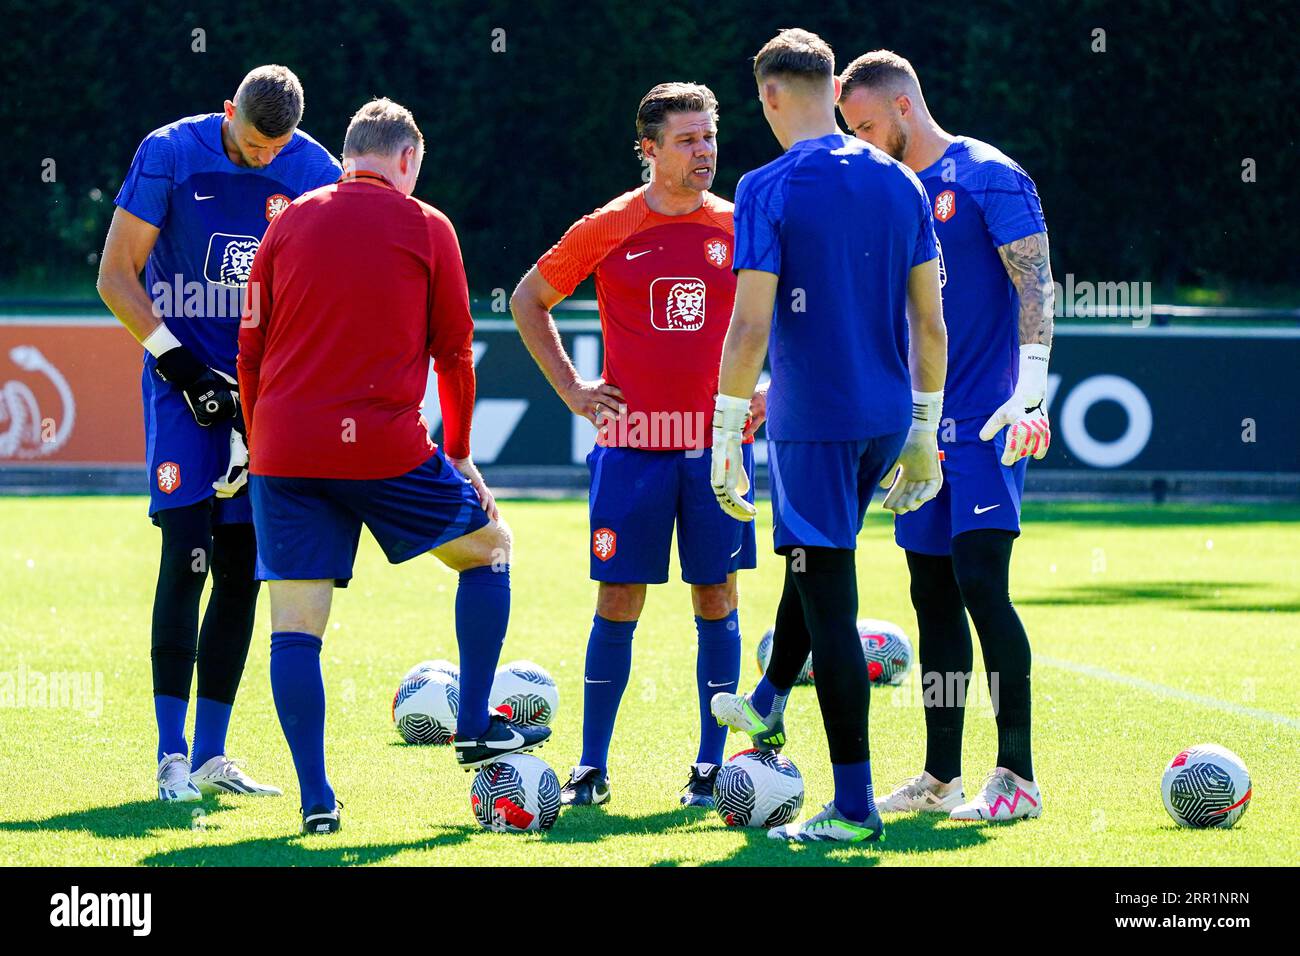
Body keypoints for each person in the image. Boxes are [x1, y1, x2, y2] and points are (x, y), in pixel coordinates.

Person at [239, 98, 547, 834]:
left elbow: (248, 351)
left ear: (349, 155)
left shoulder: (285, 222)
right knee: (490, 549)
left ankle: (316, 801)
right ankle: (473, 723)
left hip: (283, 449)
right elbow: (455, 355)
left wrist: (262, 440)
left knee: (295, 627)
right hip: (382, 448)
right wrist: (464, 456)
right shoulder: (427, 225)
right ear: (407, 160)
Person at [709, 29, 948, 843]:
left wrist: (723, 434)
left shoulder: (766, 185)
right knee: (817, 561)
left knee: (832, 603)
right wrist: (921, 430)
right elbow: (931, 324)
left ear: (771, 95)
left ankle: (854, 808)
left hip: (814, 428)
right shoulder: (901, 180)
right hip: (886, 420)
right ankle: (770, 698)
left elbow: (748, 327)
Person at [511, 83, 761, 810]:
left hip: (718, 451)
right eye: (687, 140)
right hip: (633, 449)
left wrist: (773, 392)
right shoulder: (610, 224)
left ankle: (712, 768)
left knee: (715, 596)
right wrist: (573, 391)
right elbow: (529, 299)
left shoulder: (743, 223)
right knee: (619, 597)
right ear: (649, 149)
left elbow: (790, 308)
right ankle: (591, 766)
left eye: (709, 137)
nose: (704, 151)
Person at [97, 65, 340, 802]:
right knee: (189, 554)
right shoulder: (169, 151)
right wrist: (184, 369)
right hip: (182, 387)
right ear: (228, 111)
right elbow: (116, 276)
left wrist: (279, 384)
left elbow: (328, 285)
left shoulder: (314, 168)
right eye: (251, 142)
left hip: (266, 396)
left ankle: (210, 756)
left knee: (241, 565)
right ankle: (170, 758)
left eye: (276, 148)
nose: (264, 158)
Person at [838, 50, 1054, 821]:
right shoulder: (889, 193)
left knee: (980, 585)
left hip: (988, 424)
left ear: (903, 107)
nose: (858, 141)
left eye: (864, 125)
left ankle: (1018, 775)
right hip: (920, 431)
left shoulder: (988, 173)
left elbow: (1033, 278)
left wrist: (1030, 388)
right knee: (930, 596)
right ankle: (940, 777)